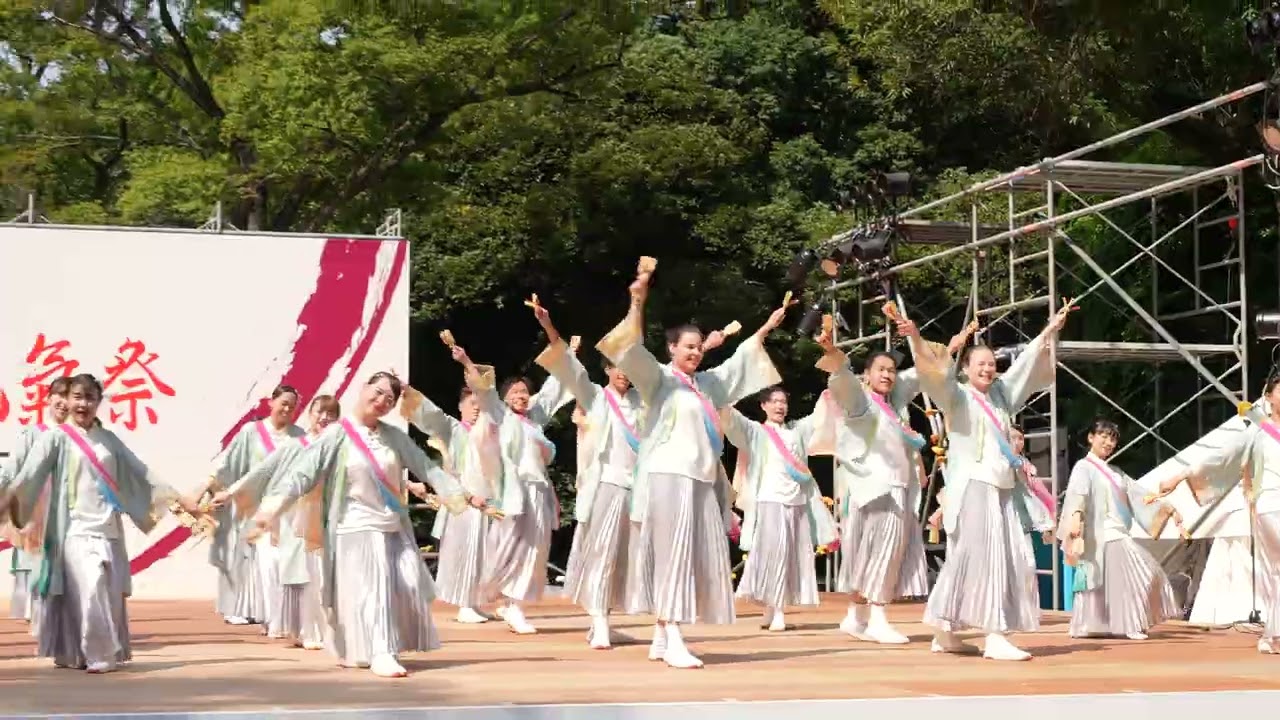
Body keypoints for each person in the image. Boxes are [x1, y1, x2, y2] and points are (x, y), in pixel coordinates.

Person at [595, 263, 787, 668]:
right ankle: (675, 633)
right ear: (672, 350)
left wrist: (765, 329)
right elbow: (627, 349)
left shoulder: (707, 384)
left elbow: (739, 364)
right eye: (688, 346)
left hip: (699, 478)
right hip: (669, 476)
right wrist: (637, 300)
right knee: (674, 554)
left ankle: (664, 635)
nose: (695, 352)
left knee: (688, 553)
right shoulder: (659, 381)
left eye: (699, 346)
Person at [251, 372, 489, 678]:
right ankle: (381, 651)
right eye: (376, 394)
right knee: (373, 587)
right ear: (363, 389)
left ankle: (368, 645)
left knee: (409, 582)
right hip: (355, 524)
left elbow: (426, 466)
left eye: (388, 400)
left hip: (392, 523)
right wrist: (269, 510)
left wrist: (464, 495)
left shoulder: (393, 436)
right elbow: (301, 475)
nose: (380, 402)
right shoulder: (336, 435)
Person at [0, 373, 204, 673]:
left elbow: (139, 470)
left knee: (105, 592)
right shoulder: (55, 437)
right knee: (92, 584)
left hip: (108, 526)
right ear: (68, 400)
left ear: (99, 402)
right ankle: (100, 655)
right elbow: (29, 475)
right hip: (73, 528)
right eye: (78, 397)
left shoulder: (107, 438)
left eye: (90, 398)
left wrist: (178, 499)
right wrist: (6, 504)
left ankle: (74, 653)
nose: (83, 404)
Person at [901, 302, 1071, 661]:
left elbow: (1025, 365)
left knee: (977, 558)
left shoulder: (1001, 396)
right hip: (975, 486)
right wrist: (916, 338)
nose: (988, 368)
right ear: (966, 368)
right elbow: (934, 373)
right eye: (980, 363)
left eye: (992, 363)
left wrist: (1049, 331)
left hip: (1002, 487)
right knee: (992, 557)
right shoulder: (957, 395)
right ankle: (995, 635)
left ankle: (946, 630)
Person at [724, 322, 852, 633]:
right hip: (769, 501)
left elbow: (820, 417)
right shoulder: (756, 432)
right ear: (764, 406)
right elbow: (731, 417)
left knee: (788, 555)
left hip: (794, 503)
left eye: (784, 402)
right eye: (775, 402)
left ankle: (775, 609)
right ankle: (774, 609)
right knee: (772, 555)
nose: (781, 406)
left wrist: (831, 388)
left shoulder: (797, 431)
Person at [532, 306, 646, 649]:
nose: (624, 373)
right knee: (602, 553)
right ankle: (598, 619)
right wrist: (550, 326)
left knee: (625, 557)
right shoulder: (595, 397)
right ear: (608, 369)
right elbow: (569, 369)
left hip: (637, 488)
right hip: (606, 486)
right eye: (617, 367)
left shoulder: (645, 403)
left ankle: (606, 616)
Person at [1150, 375, 1280, 653]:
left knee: (1275, 571)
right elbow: (1220, 456)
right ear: (1268, 397)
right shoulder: (1257, 431)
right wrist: (1179, 476)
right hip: (1269, 505)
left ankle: (1271, 633)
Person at [211, 394, 341, 648]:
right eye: (320, 412)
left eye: (331, 413)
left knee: (323, 576)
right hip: (295, 516)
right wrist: (230, 492)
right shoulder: (296, 445)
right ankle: (301, 629)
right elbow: (262, 470)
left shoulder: (340, 446)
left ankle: (323, 630)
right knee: (299, 574)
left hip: (326, 516)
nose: (325, 418)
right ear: (310, 414)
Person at [463, 337, 572, 635]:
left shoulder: (535, 420)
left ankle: (515, 605)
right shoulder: (502, 417)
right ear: (506, 398)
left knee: (535, 550)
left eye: (525, 392)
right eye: (515, 392)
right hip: (513, 493)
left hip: (538, 491)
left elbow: (554, 389)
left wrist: (569, 357)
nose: (522, 396)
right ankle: (502, 597)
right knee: (511, 547)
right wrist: (466, 363)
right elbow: (485, 393)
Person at [1057, 419, 1182, 640]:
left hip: (1116, 531)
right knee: (1135, 575)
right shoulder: (1083, 467)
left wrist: (1167, 508)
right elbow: (1078, 495)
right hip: (1101, 531)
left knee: (1125, 579)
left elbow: (1138, 495)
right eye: (1103, 436)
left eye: (1112, 438)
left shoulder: (1115, 471)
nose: (1108, 442)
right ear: (1091, 438)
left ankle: (1102, 624)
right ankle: (1126, 624)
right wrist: (1076, 520)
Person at [401, 360, 504, 625]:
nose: (476, 410)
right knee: (463, 551)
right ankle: (464, 604)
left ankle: (475, 601)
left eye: (480, 407)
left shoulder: (491, 432)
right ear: (460, 407)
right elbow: (431, 414)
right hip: (463, 498)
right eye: (471, 406)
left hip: (487, 496)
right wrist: (408, 392)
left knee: (482, 553)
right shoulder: (454, 429)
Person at [203, 385, 304, 627]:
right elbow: (230, 461)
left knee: (271, 559)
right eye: (283, 402)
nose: (287, 408)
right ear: (272, 402)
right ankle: (234, 607)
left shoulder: (298, 435)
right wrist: (215, 487)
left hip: (279, 505)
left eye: (292, 405)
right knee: (240, 555)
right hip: (247, 500)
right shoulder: (252, 431)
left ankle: (266, 609)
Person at [1, 377, 72, 622]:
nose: (63, 402)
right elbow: (12, 468)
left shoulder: (76, 437)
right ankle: (37, 616)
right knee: (31, 564)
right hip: (34, 512)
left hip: (66, 510)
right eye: (59, 395)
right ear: (49, 398)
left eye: (69, 396)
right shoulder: (32, 434)